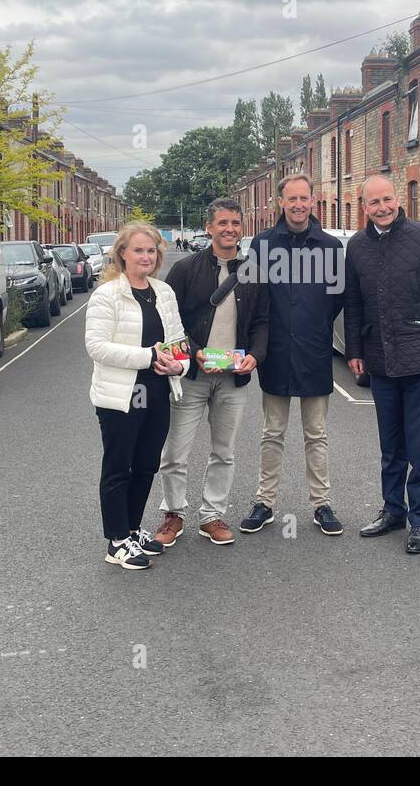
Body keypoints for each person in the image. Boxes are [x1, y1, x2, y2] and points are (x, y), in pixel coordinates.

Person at [344, 175, 420, 554]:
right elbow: (353, 304)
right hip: (380, 361)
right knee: (391, 445)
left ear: (398, 199)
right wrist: (355, 351)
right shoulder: (357, 247)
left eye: (387, 200)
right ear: (363, 206)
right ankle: (393, 510)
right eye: (373, 202)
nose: (382, 208)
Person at [153, 199, 268, 547]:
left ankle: (212, 515)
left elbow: (263, 322)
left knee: (224, 452)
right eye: (222, 223)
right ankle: (173, 513)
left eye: (235, 222)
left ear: (242, 228)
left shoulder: (253, 273)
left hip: (233, 378)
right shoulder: (186, 269)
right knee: (175, 452)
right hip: (192, 375)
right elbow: (169, 321)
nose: (229, 229)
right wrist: (193, 351)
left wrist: (256, 357)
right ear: (209, 227)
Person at [239, 174, 346, 537]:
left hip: (314, 353)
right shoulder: (262, 245)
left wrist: (311, 327)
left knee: (316, 433)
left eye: (304, 198)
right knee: (272, 432)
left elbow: (336, 302)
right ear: (280, 203)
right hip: (276, 353)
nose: (298, 204)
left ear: (313, 201)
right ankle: (264, 502)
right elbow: (252, 299)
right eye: (291, 199)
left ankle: (322, 504)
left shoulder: (331, 248)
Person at [85, 221, 188, 570]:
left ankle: (131, 529)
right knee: (119, 466)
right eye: (138, 250)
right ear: (122, 255)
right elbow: (96, 346)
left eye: (151, 250)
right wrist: (147, 356)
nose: (146, 256)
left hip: (157, 390)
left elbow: (178, 342)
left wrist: (179, 366)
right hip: (121, 393)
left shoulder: (163, 291)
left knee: (147, 463)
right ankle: (116, 541)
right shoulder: (108, 294)